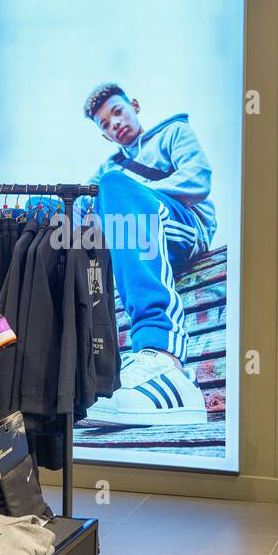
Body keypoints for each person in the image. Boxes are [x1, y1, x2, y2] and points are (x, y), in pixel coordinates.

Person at [79, 82, 216, 427]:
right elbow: (82, 206)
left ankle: (165, 357)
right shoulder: (109, 166)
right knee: (65, 215)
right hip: (138, 226)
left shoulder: (173, 132)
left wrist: (132, 194)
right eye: (105, 125)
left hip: (188, 225)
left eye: (118, 112)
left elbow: (197, 181)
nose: (115, 124)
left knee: (116, 190)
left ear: (134, 106)